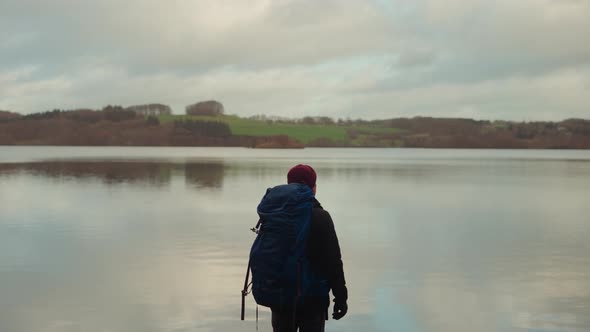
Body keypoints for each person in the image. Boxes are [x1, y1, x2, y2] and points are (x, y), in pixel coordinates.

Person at [269, 164, 348, 332]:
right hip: (314, 300)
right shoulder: (321, 217)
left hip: (281, 299)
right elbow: (333, 262)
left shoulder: (274, 214)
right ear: (314, 188)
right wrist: (341, 297)